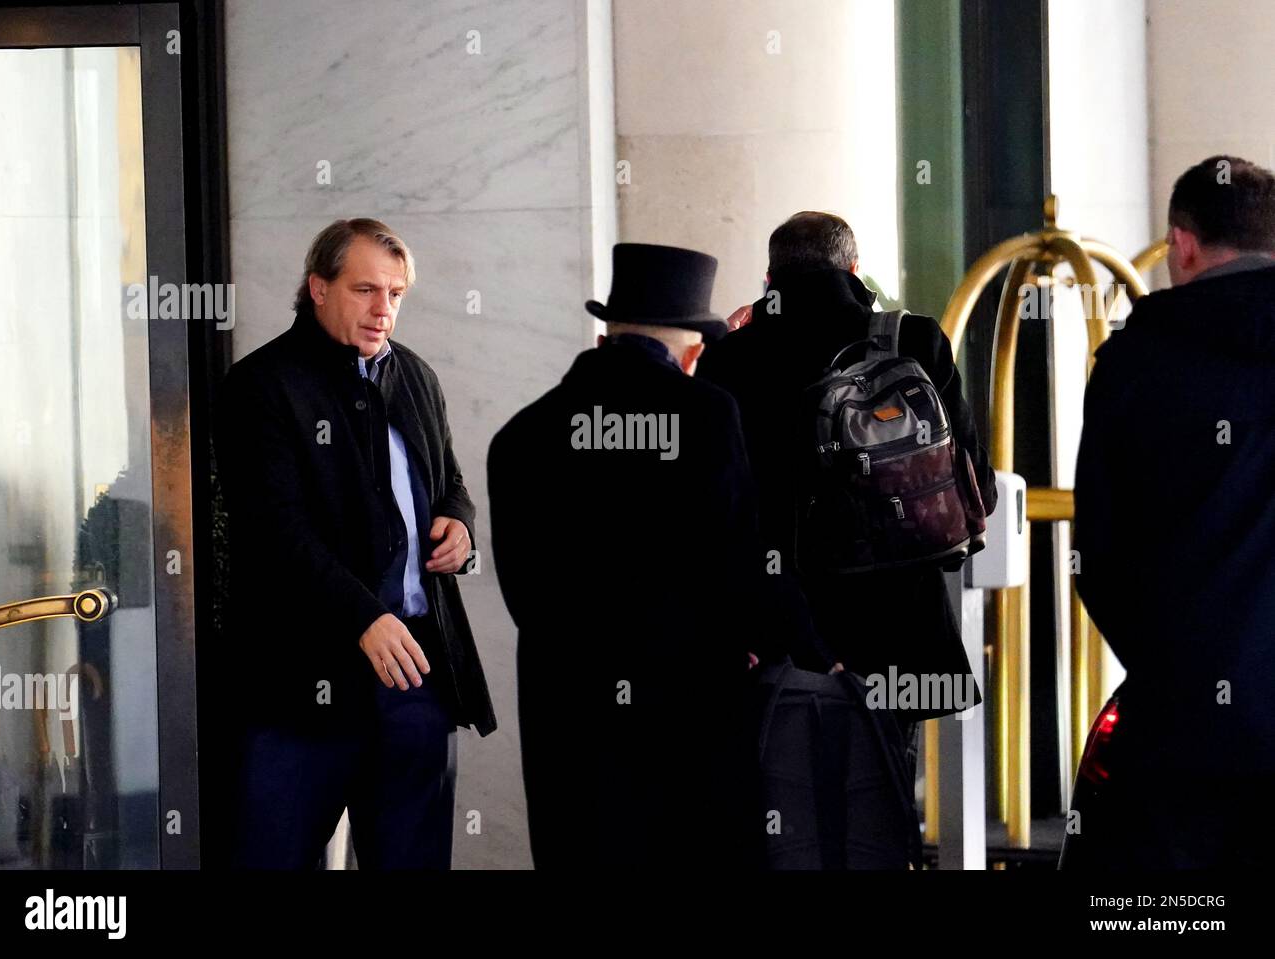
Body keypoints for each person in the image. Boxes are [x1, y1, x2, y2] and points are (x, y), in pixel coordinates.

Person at [488, 243, 786, 868]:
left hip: (566, 718)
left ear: (602, 342)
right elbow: (740, 562)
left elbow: (525, 597)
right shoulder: (707, 413)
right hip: (690, 713)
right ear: (694, 355)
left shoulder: (519, 435)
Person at [217, 218, 495, 869]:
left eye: (396, 293)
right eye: (366, 289)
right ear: (318, 287)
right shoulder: (260, 386)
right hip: (297, 685)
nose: (384, 309)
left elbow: (449, 477)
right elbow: (274, 531)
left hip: (413, 677)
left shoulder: (417, 376)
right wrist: (361, 616)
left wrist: (459, 522)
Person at [698, 211, 996, 777]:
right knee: (877, 806)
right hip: (896, 624)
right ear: (855, 269)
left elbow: (713, 509)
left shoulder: (732, 357)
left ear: (769, 277)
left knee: (782, 808)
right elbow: (974, 481)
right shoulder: (913, 339)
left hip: (776, 629)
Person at [1074, 155, 1275, 868]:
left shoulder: (1133, 363)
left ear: (1182, 244)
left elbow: (1096, 555)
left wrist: (1174, 666)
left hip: (1177, 728)